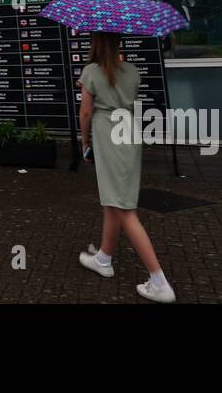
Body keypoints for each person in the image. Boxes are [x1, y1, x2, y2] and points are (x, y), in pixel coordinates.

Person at [76, 30, 175, 303]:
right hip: (128, 132)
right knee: (113, 201)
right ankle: (103, 259)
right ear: (119, 42)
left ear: (95, 43)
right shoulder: (131, 70)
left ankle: (159, 282)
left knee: (125, 209)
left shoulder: (91, 72)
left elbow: (85, 112)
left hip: (107, 134)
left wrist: (85, 141)